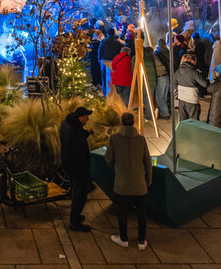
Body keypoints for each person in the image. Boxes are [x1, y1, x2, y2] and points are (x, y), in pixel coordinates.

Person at [105, 112, 152, 249]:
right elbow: (147, 161)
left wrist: (116, 169)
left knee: (122, 212)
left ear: (121, 122)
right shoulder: (141, 139)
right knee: (141, 213)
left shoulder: (114, 139)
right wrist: (148, 178)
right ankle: (141, 241)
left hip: (122, 182)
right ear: (133, 123)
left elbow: (108, 158)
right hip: (139, 182)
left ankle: (123, 239)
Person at [59, 105, 94, 232]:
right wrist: (84, 172)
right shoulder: (75, 132)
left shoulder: (68, 124)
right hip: (78, 169)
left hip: (69, 165)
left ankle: (76, 217)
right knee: (80, 194)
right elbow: (78, 154)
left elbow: (76, 135)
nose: (87, 119)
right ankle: (75, 222)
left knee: (76, 191)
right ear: (80, 118)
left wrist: (86, 133)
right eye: (86, 117)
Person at [175, 55, 207, 120]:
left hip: (181, 98)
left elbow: (174, 83)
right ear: (192, 61)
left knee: (183, 120)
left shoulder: (178, 71)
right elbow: (204, 84)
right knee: (193, 120)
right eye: (195, 62)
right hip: (191, 98)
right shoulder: (194, 71)